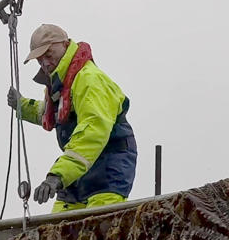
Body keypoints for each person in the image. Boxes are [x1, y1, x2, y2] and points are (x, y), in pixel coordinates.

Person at [7, 24, 137, 212]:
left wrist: (58, 175)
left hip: (108, 166)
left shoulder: (89, 79)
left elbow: (92, 132)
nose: (44, 63)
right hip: (78, 166)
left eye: (48, 55)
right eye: (40, 59)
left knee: (101, 225)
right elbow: (52, 114)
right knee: (57, 227)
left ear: (65, 45)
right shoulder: (62, 84)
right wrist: (23, 106)